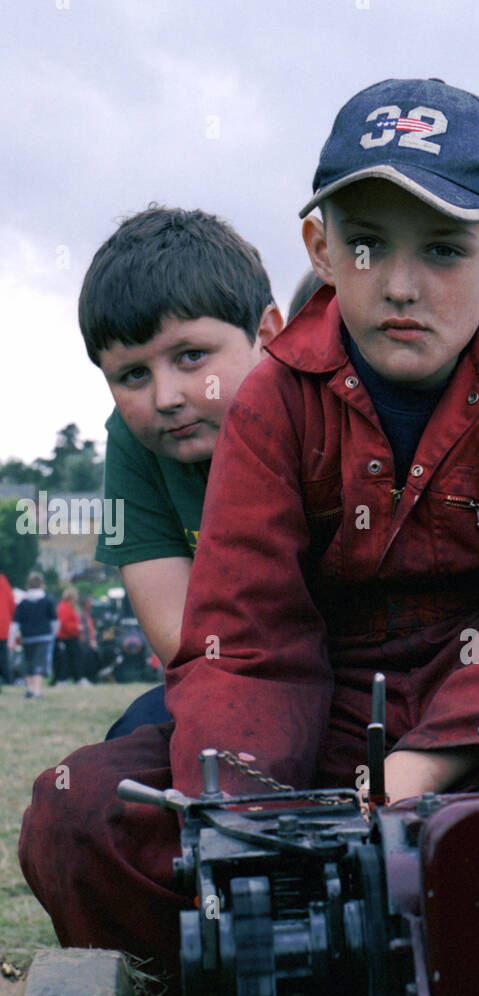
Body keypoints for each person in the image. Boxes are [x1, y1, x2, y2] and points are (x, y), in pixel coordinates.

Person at [20, 77, 479, 996]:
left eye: (444, 250)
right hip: (327, 728)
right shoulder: (273, 396)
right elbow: (249, 639)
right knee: (79, 816)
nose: (399, 282)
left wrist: (417, 777)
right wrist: (260, 829)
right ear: (319, 249)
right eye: (366, 245)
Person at [79, 206, 283, 735]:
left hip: (365, 677)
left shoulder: (322, 409)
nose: (166, 398)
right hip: (238, 678)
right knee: (131, 740)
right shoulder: (131, 441)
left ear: (267, 333)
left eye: (192, 356)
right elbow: (181, 640)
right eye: (132, 374)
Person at [9, 573, 57, 699]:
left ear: (28, 585)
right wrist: (54, 634)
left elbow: (14, 624)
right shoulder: (47, 600)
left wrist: (11, 640)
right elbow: (55, 622)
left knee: (28, 663)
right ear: (42, 584)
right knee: (39, 664)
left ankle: (29, 690)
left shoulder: (23, 603)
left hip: (27, 637)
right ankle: (37, 691)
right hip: (44, 637)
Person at [52, 584, 88, 685]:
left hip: (71, 637)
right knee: (72, 659)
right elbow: (64, 624)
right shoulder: (64, 608)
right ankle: (75, 678)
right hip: (67, 638)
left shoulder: (68, 607)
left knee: (75, 658)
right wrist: (77, 628)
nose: (76, 599)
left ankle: (77, 678)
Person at [0, 572, 15, 689]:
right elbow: (11, 603)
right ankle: (7, 678)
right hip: (3, 624)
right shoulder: (3, 581)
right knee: (3, 655)